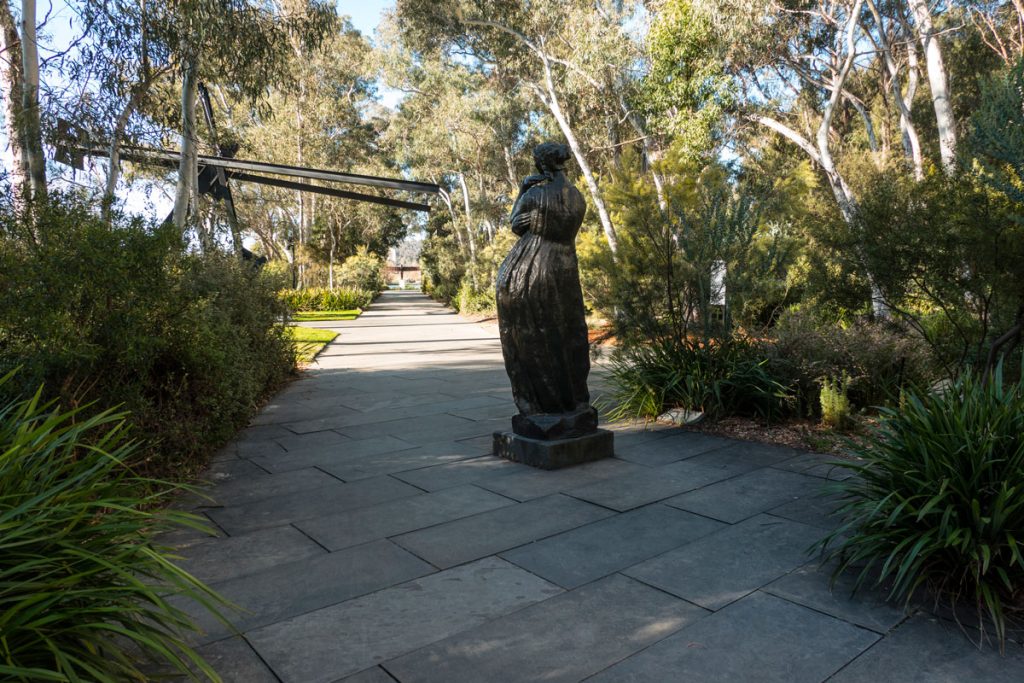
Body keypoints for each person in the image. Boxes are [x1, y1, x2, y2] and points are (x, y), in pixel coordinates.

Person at [495, 142, 596, 439]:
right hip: (565, 268)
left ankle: (540, 404)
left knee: (531, 338)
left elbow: (516, 224)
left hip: (528, 271)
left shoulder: (535, 195)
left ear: (541, 164)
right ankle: (572, 400)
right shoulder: (577, 197)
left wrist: (523, 190)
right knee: (567, 333)